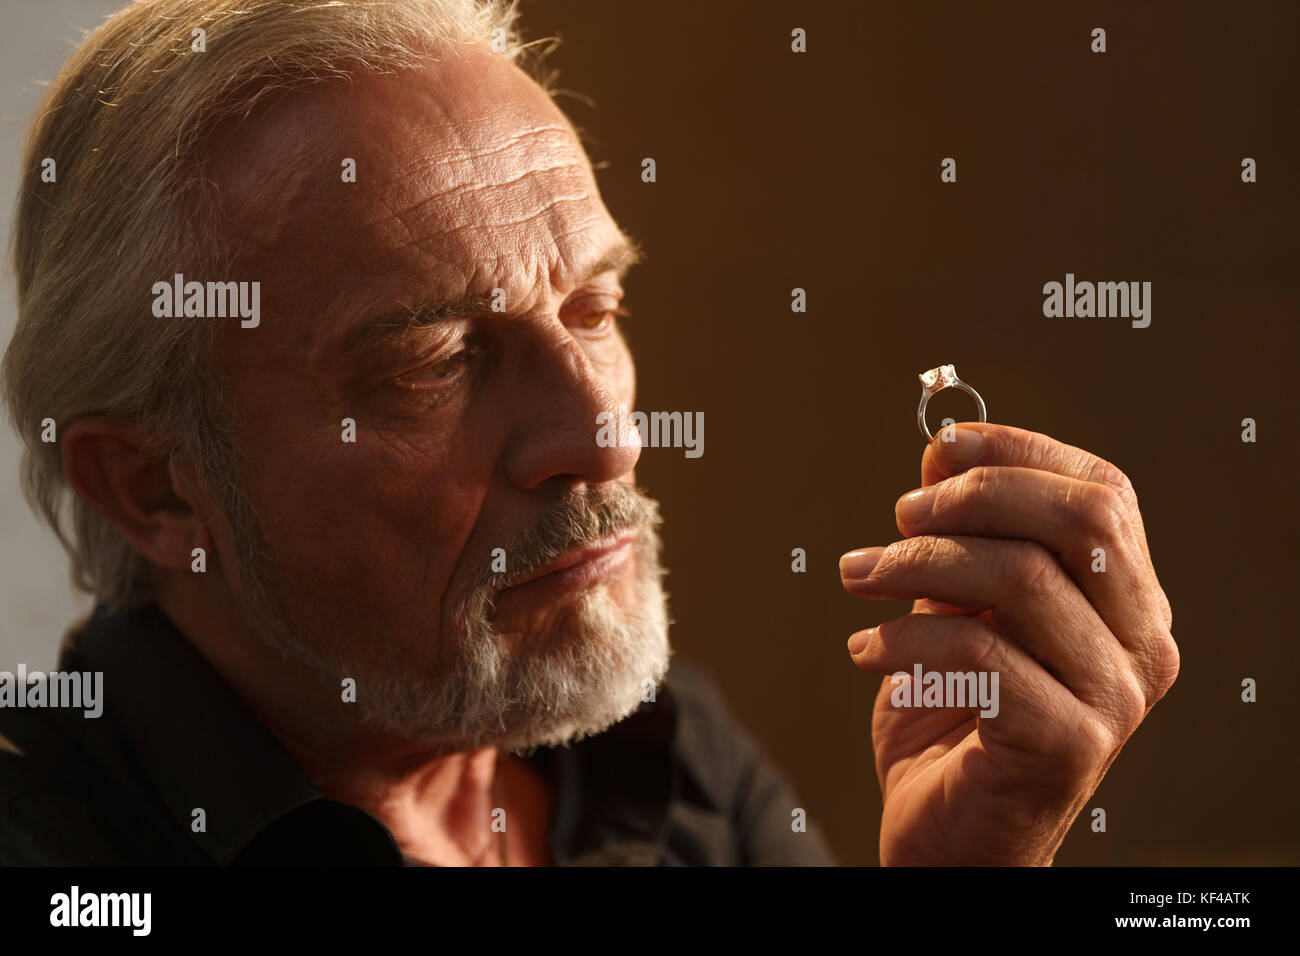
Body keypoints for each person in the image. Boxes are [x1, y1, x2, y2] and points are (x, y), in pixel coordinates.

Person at [0, 0, 1176, 866]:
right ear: (153, 486)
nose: (605, 433)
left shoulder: (657, 757)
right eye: (435, 360)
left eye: (593, 307)